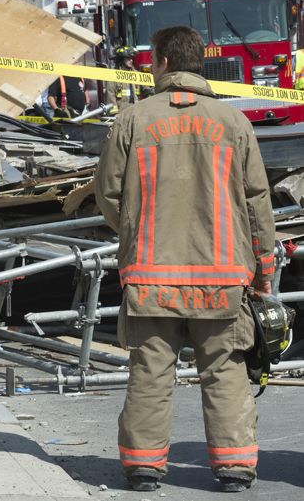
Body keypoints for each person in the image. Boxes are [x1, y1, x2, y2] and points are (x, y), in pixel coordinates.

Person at [94, 26, 275, 494]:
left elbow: (109, 196)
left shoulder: (132, 120)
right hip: (224, 277)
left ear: (163, 62)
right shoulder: (234, 123)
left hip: (151, 276)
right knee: (225, 370)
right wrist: (263, 271)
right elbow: (257, 203)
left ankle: (143, 467)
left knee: (151, 372)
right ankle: (234, 467)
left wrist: (135, 235)